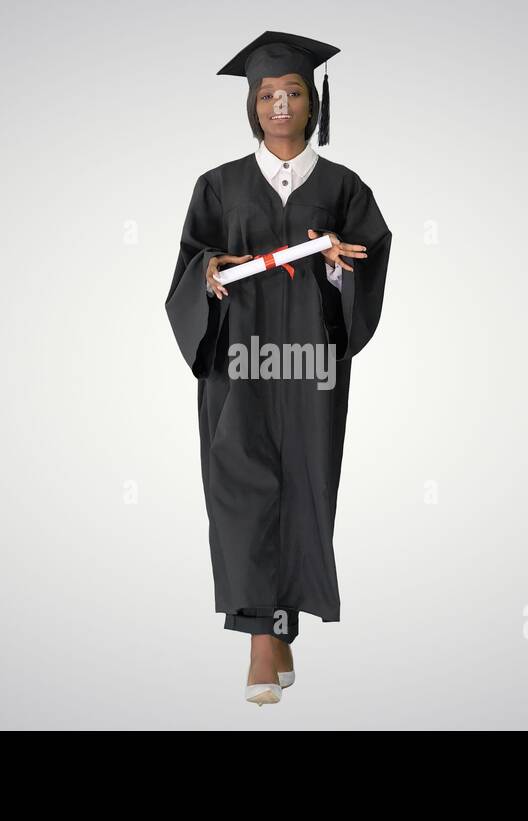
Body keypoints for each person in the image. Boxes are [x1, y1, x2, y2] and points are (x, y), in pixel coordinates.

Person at [165, 31, 392, 705]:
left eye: (292, 91)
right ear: (252, 105)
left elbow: (370, 261)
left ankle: (281, 620)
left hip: (310, 360)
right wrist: (206, 272)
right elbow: (187, 264)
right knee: (239, 488)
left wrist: (338, 268)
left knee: (304, 488)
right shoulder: (219, 184)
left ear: (312, 100)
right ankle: (263, 636)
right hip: (239, 359)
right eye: (267, 95)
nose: (280, 105)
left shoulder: (345, 186)